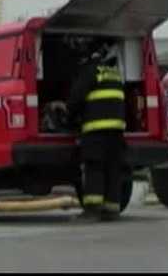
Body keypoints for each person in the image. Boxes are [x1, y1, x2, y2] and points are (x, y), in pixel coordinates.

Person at [66, 44, 128, 223]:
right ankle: (112, 210)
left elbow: (76, 98)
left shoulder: (90, 71)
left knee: (94, 168)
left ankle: (92, 211)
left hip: (96, 130)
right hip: (116, 131)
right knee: (113, 169)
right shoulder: (114, 73)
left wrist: (69, 116)